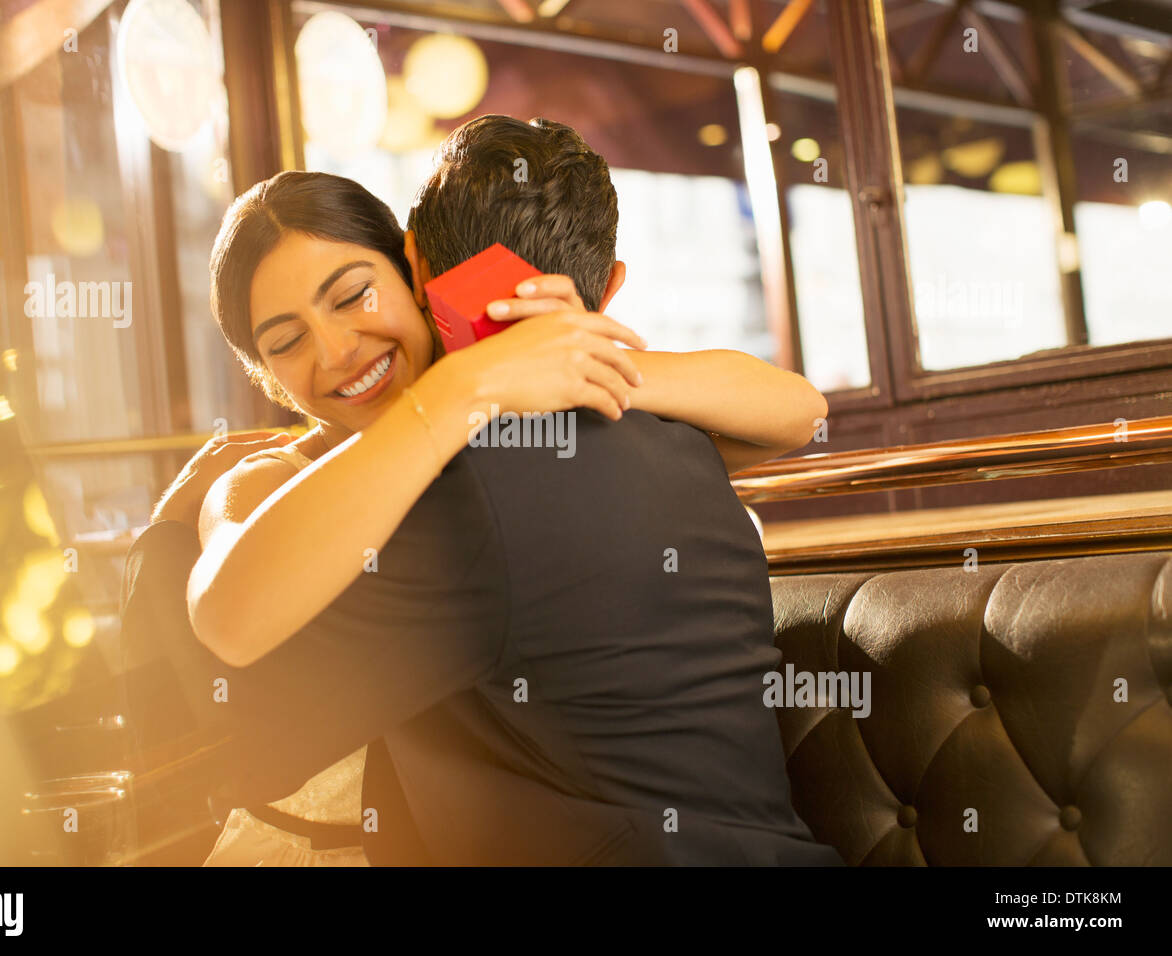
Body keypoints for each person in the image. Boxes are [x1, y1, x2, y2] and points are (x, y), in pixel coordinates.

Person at [123, 115, 841, 865]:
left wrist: (215, 502)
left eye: (352, 296)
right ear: (264, 376)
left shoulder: (482, 480)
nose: (336, 350)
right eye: (285, 340)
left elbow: (231, 676)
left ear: (409, 267)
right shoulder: (656, 435)